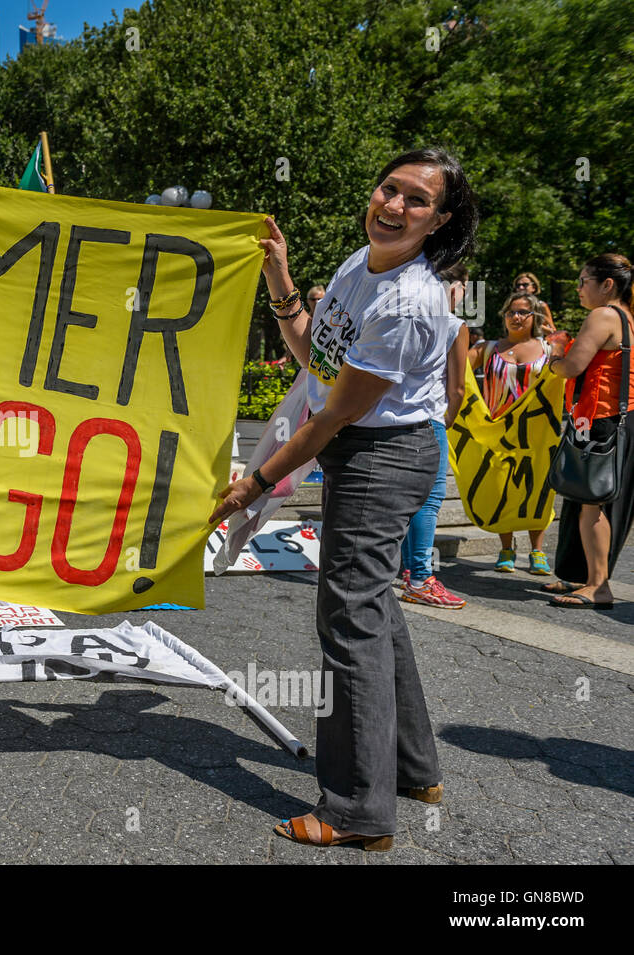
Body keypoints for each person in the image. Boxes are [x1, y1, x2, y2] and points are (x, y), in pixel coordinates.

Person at [211, 147, 478, 850]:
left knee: (348, 619)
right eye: (389, 188)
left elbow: (331, 416)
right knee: (371, 608)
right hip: (361, 450)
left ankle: (359, 809)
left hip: (383, 457)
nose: (393, 205)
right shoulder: (360, 265)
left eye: (416, 200)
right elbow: (315, 361)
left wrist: (256, 481)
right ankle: (414, 767)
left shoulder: (412, 302)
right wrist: (280, 275)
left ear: (439, 220)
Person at [544, 253, 634, 609]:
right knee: (590, 502)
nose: (579, 288)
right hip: (621, 418)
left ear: (606, 284)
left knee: (590, 505)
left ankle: (598, 585)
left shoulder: (603, 315)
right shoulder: (627, 317)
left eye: (583, 281)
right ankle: (584, 577)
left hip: (601, 419)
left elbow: (571, 368)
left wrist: (554, 353)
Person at [467, 292, 555, 573]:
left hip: (536, 434)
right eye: (511, 312)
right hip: (496, 431)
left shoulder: (549, 347)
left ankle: (537, 551)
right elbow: (457, 370)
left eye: (523, 313)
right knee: (500, 488)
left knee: (537, 488)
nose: (516, 317)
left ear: (535, 317)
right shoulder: (488, 348)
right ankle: (506, 549)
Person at [398, 267, 470, 607]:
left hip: (394, 420)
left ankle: (408, 572)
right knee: (429, 500)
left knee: (405, 500)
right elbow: (457, 388)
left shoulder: (402, 317)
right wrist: (447, 421)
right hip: (430, 419)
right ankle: (421, 577)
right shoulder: (454, 326)